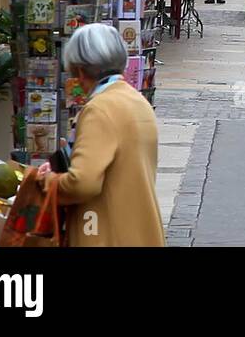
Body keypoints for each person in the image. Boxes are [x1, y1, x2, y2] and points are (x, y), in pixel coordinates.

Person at [37, 23, 163, 246]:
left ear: (82, 71)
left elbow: (83, 184)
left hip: (103, 234)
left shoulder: (99, 109)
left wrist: (48, 181)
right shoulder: (136, 101)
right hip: (139, 233)